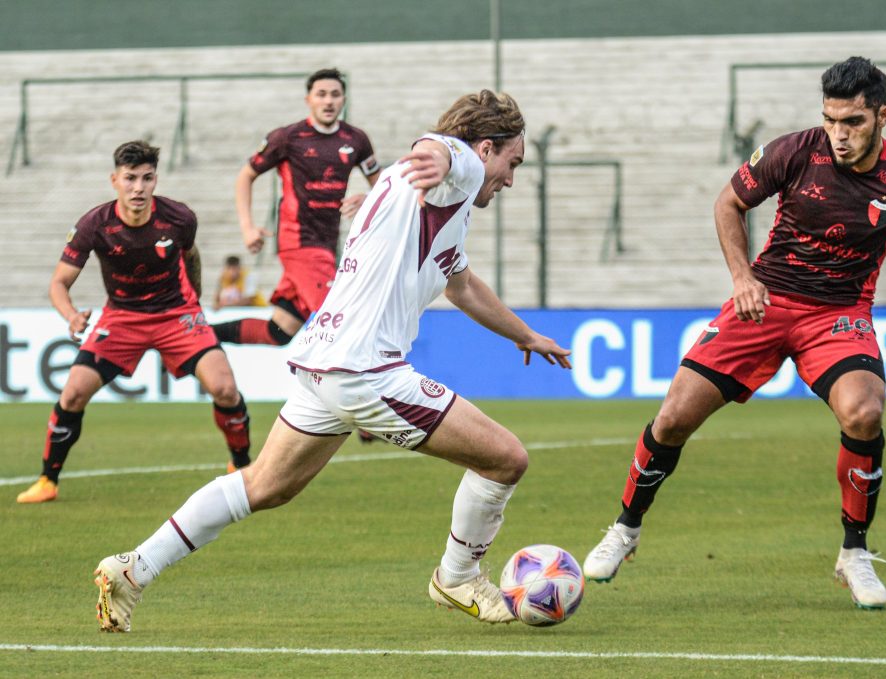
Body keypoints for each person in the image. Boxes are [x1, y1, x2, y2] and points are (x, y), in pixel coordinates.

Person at [93, 91, 573, 632]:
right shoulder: (451, 171)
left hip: (326, 363)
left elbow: (461, 286)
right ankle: (457, 577)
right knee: (506, 459)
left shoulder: (432, 203)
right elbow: (440, 149)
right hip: (367, 369)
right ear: (486, 148)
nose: (510, 179)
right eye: (513, 162)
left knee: (265, 486)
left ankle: (134, 568)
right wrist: (440, 154)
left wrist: (526, 335)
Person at [582, 56, 886, 610]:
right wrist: (742, 277)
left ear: (883, 116)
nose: (839, 134)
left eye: (854, 122)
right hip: (765, 301)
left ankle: (854, 553)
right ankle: (625, 528)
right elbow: (728, 202)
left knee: (864, 413)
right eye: (831, 120)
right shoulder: (794, 151)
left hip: (838, 315)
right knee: (672, 418)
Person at [16, 141, 252, 504]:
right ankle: (48, 481)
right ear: (115, 180)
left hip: (176, 315)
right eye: (130, 178)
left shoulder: (180, 218)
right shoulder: (94, 225)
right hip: (122, 318)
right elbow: (58, 284)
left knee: (225, 389)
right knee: (74, 393)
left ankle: (243, 467)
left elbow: (191, 255)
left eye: (146, 178)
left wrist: (196, 299)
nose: (138, 187)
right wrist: (72, 315)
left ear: (156, 179)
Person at [211, 67, 380, 348]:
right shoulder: (288, 137)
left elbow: (383, 185)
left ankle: (197, 338)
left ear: (344, 99)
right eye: (321, 94)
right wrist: (247, 227)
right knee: (339, 317)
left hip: (327, 244)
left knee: (279, 330)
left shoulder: (356, 139)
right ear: (308, 100)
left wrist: (370, 198)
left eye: (335, 95)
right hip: (298, 242)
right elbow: (245, 176)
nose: (328, 101)